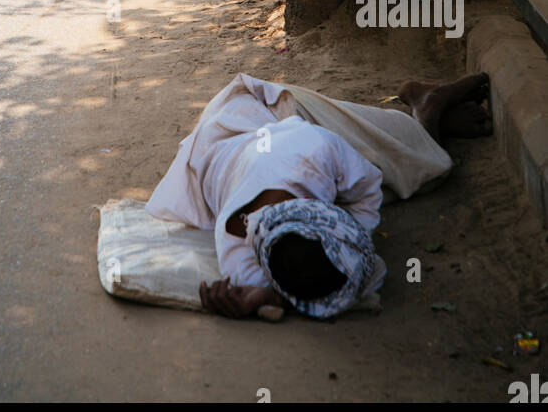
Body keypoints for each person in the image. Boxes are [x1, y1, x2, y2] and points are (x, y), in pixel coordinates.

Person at [146, 69, 491, 320]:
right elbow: (276, 285)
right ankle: (426, 125)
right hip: (238, 150)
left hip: (257, 113)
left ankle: (423, 117)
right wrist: (264, 297)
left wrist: (355, 230)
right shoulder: (235, 239)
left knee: (416, 170)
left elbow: (367, 187)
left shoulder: (316, 151)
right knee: (406, 174)